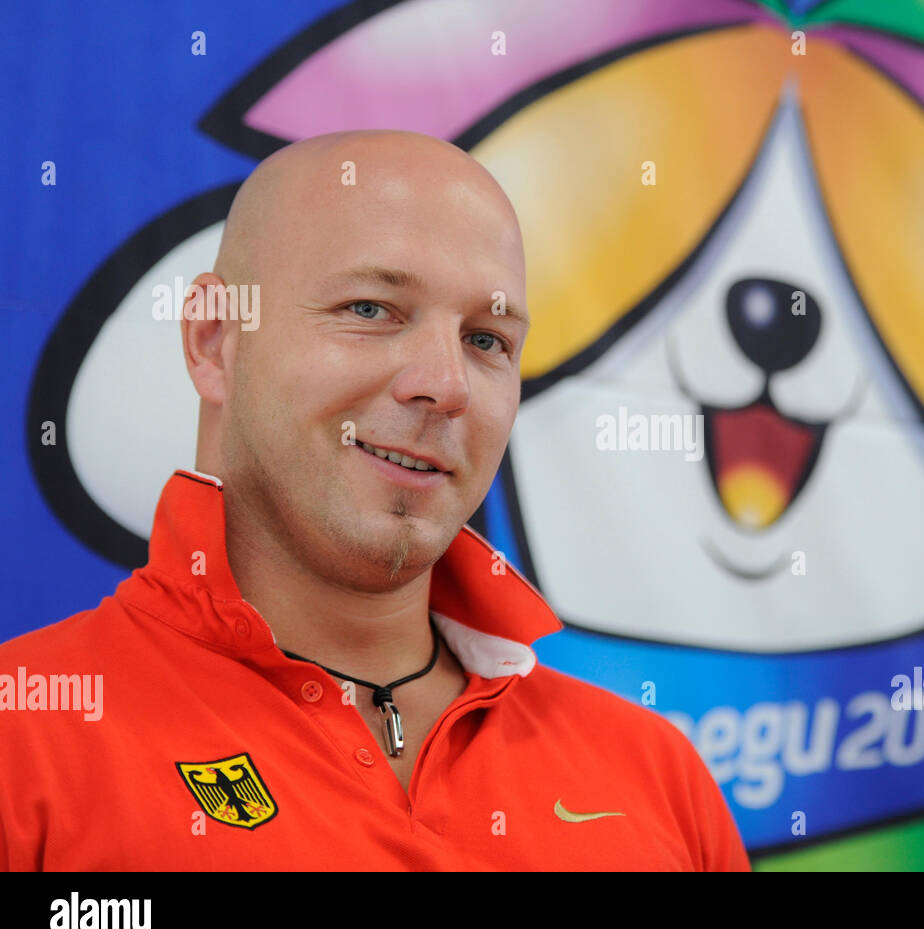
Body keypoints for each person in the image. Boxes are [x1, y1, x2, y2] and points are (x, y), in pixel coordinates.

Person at [0, 130, 751, 871]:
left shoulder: (656, 775)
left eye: (486, 339)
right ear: (214, 338)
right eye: (370, 309)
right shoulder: (23, 739)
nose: (446, 384)